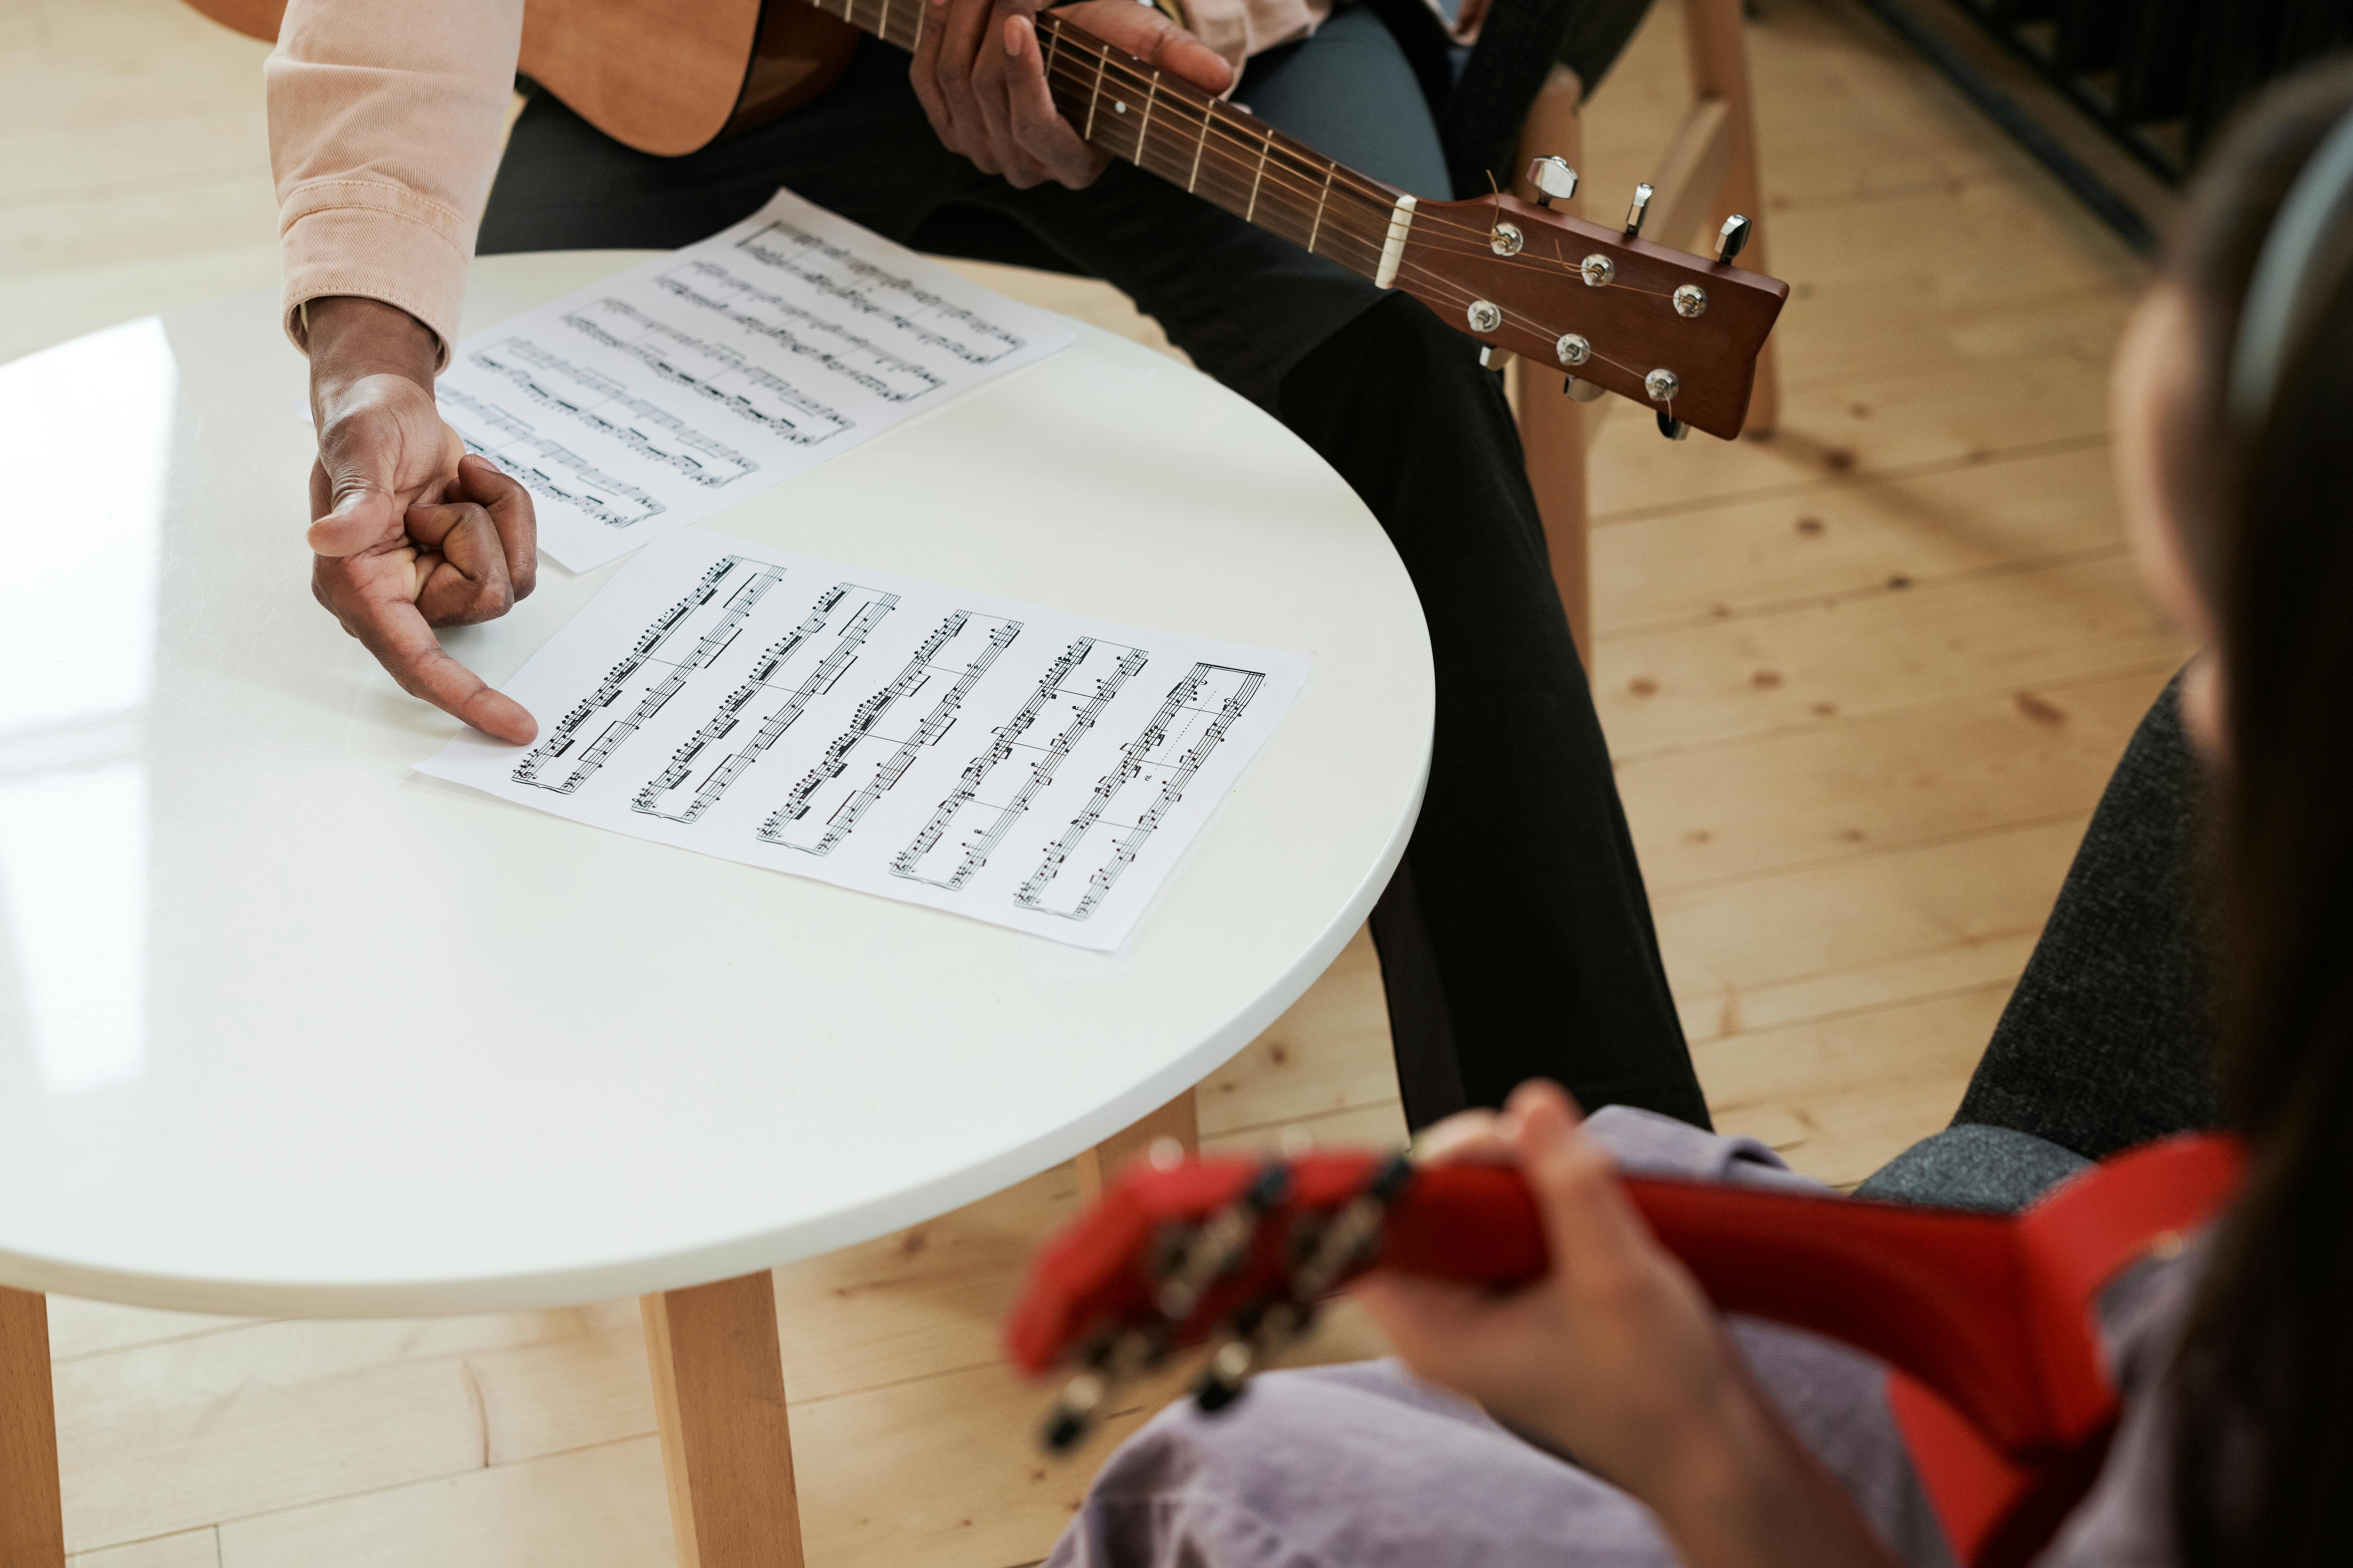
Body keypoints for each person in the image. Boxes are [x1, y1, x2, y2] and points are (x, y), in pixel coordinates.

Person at [1044, 59, 2353, 1568]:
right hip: (2155, 1328)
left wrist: (1692, 1441)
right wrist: (1701, 1216)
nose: (2195, 715)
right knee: (1613, 1173)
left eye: (2231, 643)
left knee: (1222, 1481)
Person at [267, 0, 1709, 1133]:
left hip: (1188, 46)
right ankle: (614, 1105)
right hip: (727, 72)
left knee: (1398, 369)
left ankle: (1618, 1209)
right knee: (509, 458)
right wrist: (370, 365)